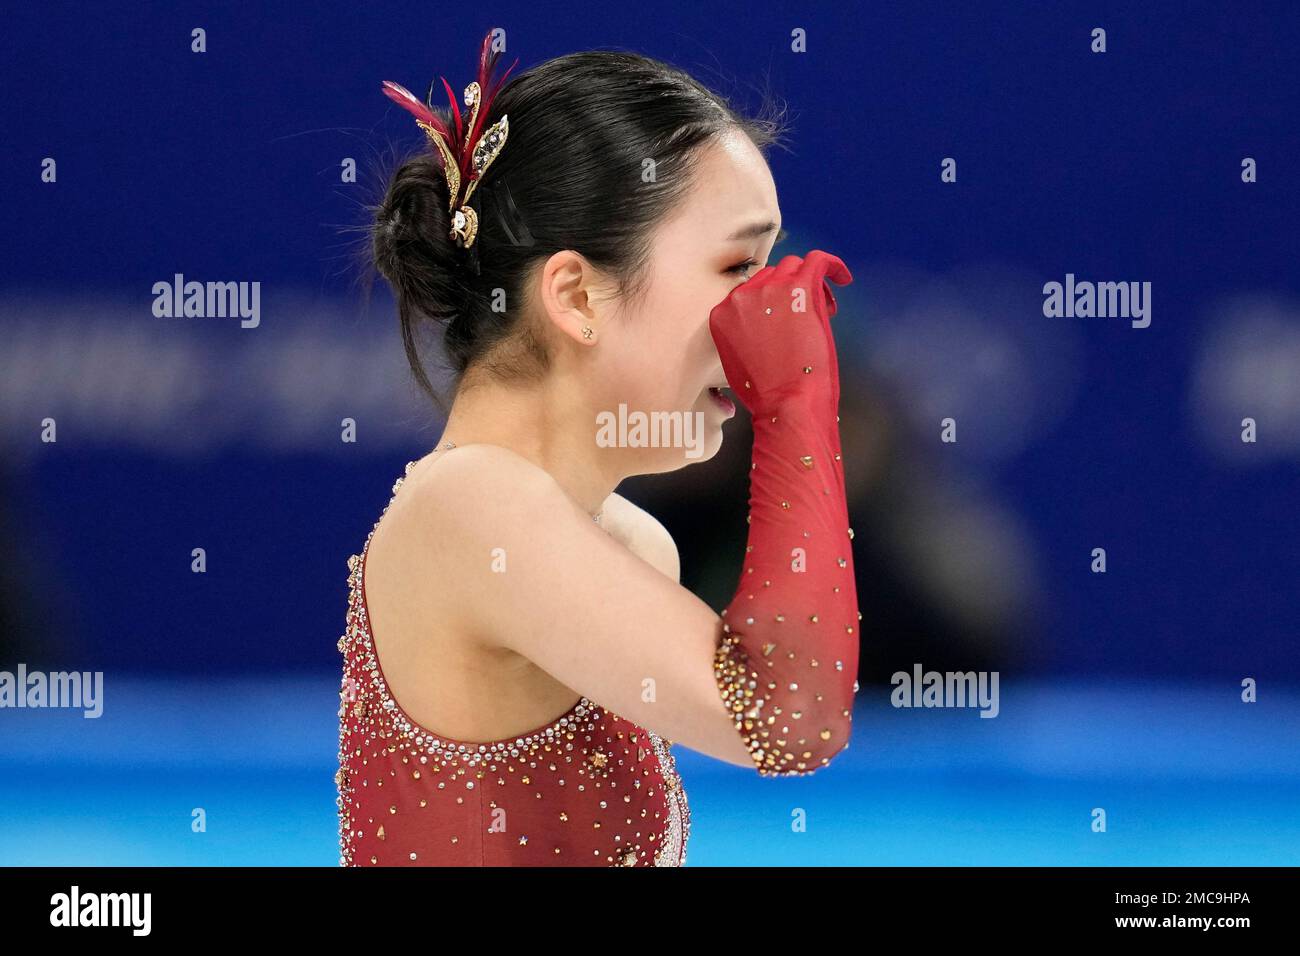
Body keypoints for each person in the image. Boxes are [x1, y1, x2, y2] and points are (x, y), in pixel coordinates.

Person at [336, 28, 860, 866]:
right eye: (739, 268)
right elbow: (789, 717)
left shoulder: (630, 544)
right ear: (577, 294)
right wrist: (799, 404)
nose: (769, 312)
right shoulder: (470, 509)